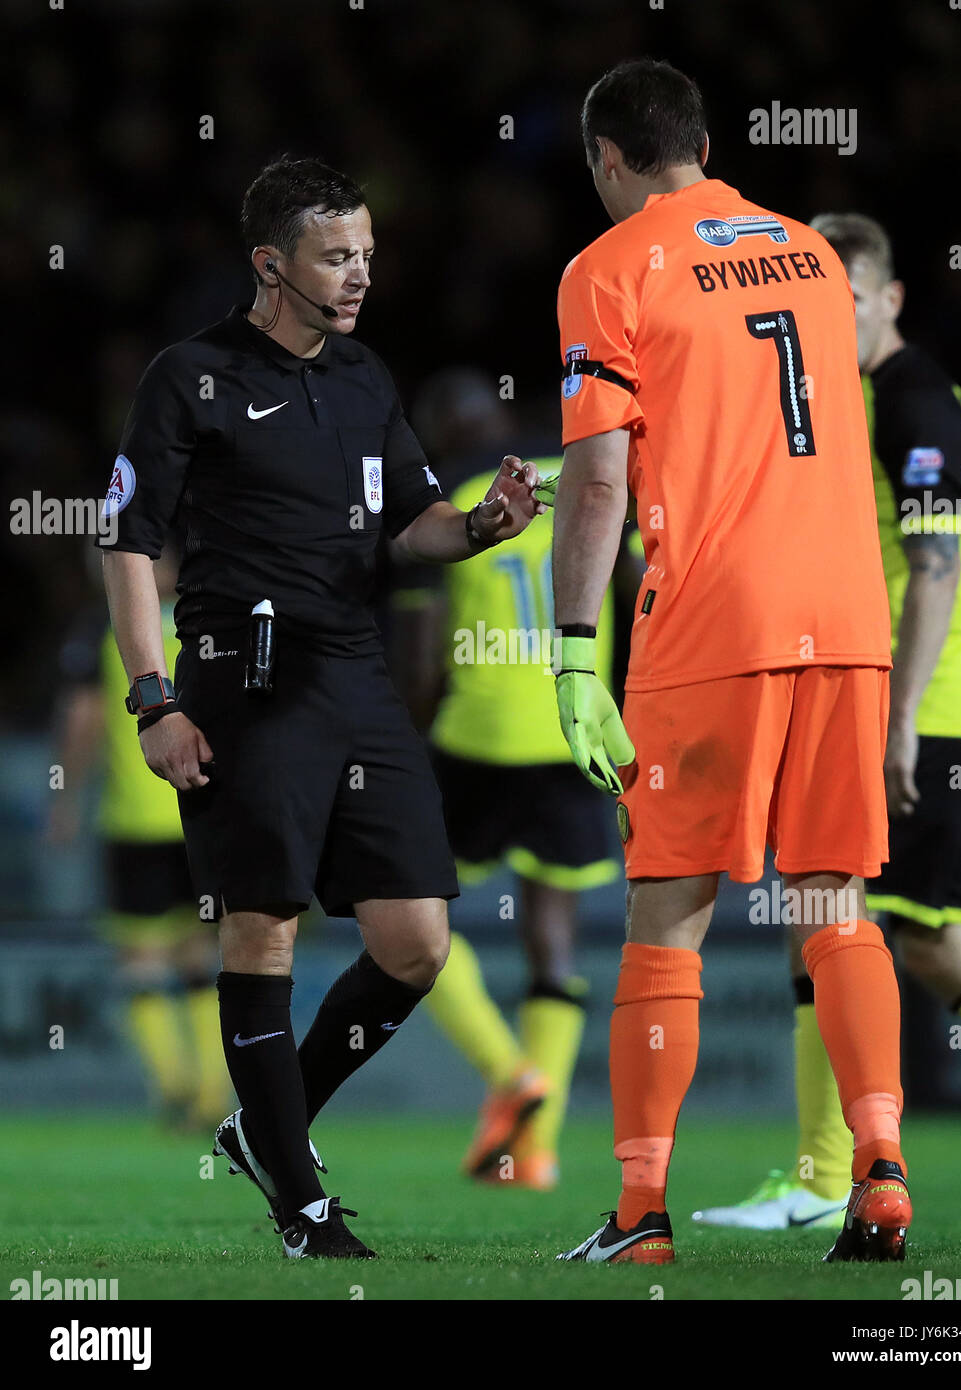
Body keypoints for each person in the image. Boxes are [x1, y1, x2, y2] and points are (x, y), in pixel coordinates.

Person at [97, 156, 543, 1260]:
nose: (359, 276)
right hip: (243, 678)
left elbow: (413, 524)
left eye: (368, 256)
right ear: (270, 263)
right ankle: (303, 1203)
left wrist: (482, 525)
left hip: (357, 675)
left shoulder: (361, 377)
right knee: (264, 924)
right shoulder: (189, 376)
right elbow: (126, 540)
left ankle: (267, 1127)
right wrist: (152, 700)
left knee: (418, 942)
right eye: (336, 256)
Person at [548, 60, 909, 1265]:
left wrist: (572, 651)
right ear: (702, 140)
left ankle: (641, 1211)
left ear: (608, 158)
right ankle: (880, 1170)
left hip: (715, 619)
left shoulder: (608, 267)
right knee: (834, 907)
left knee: (670, 919)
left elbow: (600, 475)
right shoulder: (810, 253)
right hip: (850, 613)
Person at [693, 213, 961, 1232]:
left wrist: (903, 718)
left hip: (912, 709)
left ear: (889, 298)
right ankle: (827, 1173)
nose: (828, 317)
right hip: (880, 701)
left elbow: (936, 565)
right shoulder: (859, 398)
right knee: (902, 938)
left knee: (856, 924)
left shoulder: (914, 400)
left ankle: (828, 1174)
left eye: (848, 298)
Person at [386, 372, 633, 1188]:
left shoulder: (451, 505)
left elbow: (422, 655)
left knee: (402, 905)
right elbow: (636, 592)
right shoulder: (576, 488)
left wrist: (405, 740)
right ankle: (537, 1149)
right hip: (569, 734)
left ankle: (507, 1072)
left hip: (477, 741)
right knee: (552, 937)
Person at [49, 546, 231, 1132]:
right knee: (203, 955)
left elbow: (84, 720)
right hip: (203, 806)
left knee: (140, 960)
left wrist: (67, 798)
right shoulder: (207, 619)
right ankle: (210, 1091)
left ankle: (175, 1084)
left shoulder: (104, 628)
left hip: (135, 818)